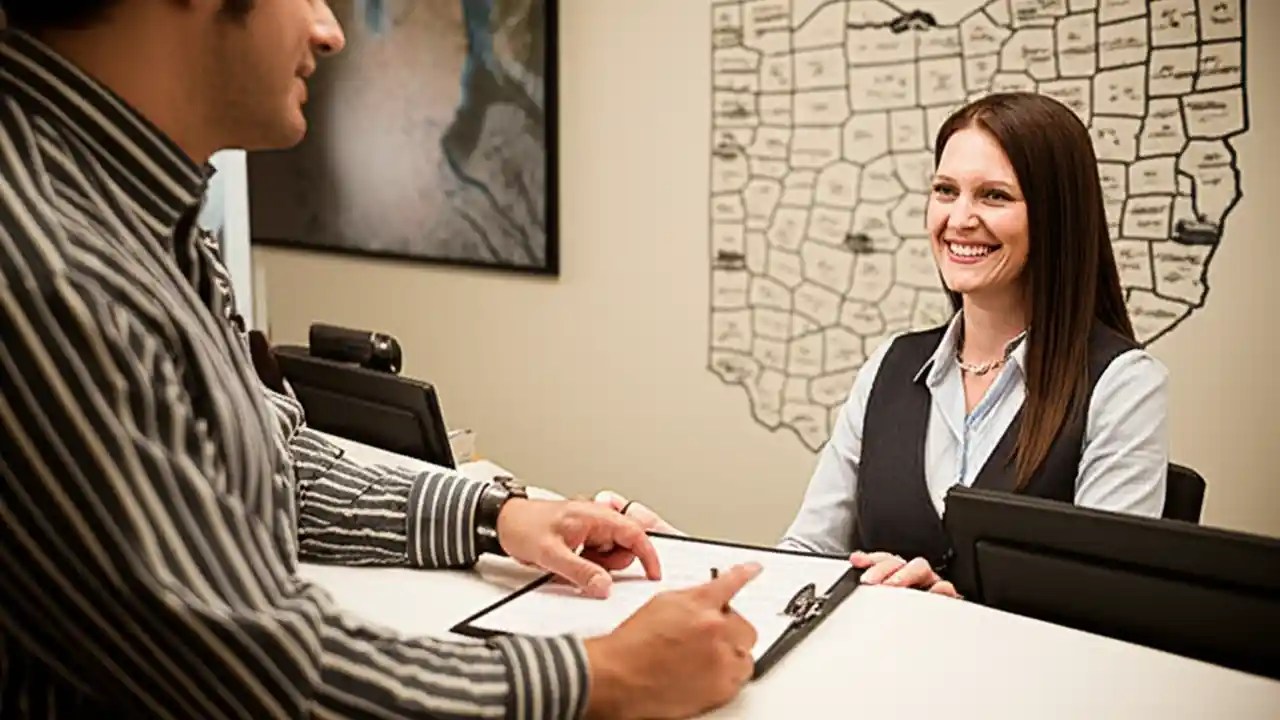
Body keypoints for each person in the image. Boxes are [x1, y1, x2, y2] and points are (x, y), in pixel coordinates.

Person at [0, 2, 761, 718]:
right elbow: (250, 676)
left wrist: (495, 513)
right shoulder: (52, 267)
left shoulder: (132, 213)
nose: (330, 31)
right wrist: (609, 675)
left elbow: (256, 460)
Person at [600, 91, 1170, 599]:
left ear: (1057, 217)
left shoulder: (1122, 384)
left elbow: (1104, 615)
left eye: (994, 196)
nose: (959, 218)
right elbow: (806, 556)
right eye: (945, 190)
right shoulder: (892, 367)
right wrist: (672, 551)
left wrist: (959, 615)